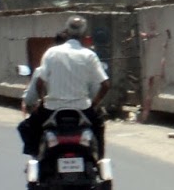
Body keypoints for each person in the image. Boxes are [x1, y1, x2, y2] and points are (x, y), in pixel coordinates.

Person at [17, 16, 110, 160]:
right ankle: (100, 161)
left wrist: (43, 100)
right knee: (99, 127)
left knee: (26, 127)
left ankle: (35, 160)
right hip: (83, 109)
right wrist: (94, 104)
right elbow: (105, 85)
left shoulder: (51, 53)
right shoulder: (89, 55)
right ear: (84, 34)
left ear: (67, 30)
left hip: (52, 108)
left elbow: (40, 83)